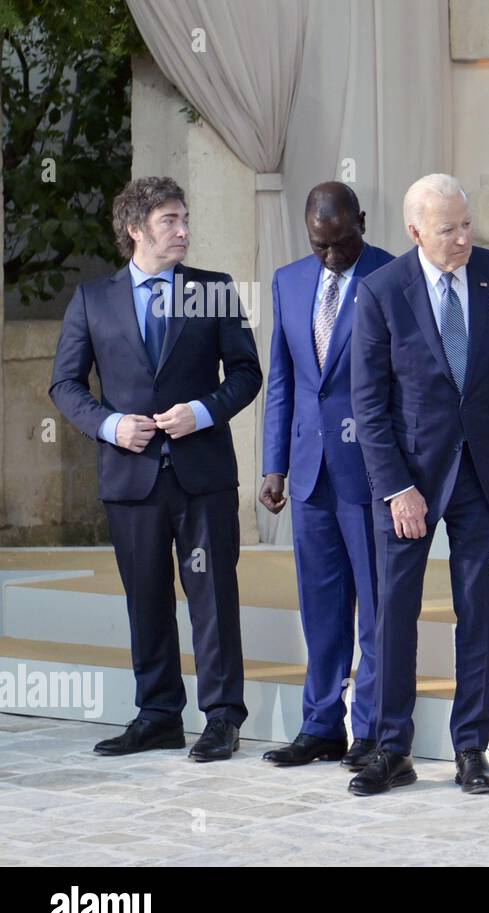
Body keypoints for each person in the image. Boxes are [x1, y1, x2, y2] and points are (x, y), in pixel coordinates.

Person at [49, 176, 261, 761]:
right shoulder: (93, 299)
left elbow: (247, 373)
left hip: (204, 476)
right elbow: (64, 385)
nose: (185, 230)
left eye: (186, 218)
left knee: (214, 596)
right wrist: (111, 424)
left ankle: (222, 719)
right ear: (136, 229)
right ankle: (159, 713)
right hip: (131, 478)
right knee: (145, 598)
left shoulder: (214, 291)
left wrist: (202, 411)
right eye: (171, 220)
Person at [348, 174, 489, 796]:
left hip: (486, 476)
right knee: (393, 614)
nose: (463, 238)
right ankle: (390, 748)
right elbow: (369, 402)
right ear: (414, 232)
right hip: (410, 480)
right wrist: (394, 487)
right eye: (447, 230)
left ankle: (471, 749)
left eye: (467, 225)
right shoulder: (382, 291)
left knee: (478, 612)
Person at [259, 183, 394, 770]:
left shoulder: (394, 276)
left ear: (361, 223)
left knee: (377, 606)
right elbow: (283, 380)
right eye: (321, 245)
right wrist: (274, 465)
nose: (332, 256)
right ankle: (320, 726)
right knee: (320, 609)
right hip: (309, 474)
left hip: (369, 472)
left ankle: (370, 731)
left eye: (342, 243)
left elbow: (407, 382)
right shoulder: (288, 281)